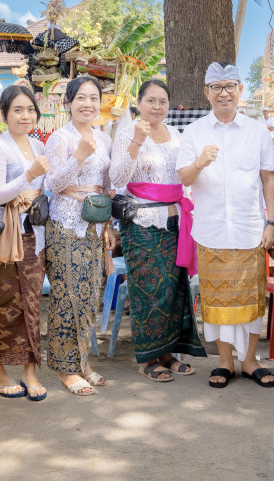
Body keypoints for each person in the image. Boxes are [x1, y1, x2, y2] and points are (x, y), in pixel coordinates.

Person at [178, 62, 274, 388]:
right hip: (211, 229)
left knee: (251, 298)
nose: (224, 93)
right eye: (217, 87)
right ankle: (224, 362)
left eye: (230, 86)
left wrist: (272, 222)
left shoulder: (257, 130)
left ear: (240, 90)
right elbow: (184, 178)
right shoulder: (194, 132)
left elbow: (268, 180)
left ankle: (249, 361)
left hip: (250, 228)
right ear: (207, 92)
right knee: (216, 299)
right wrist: (200, 162)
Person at [109, 79, 206, 383]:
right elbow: (117, 178)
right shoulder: (127, 132)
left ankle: (169, 353)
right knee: (148, 289)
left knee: (173, 289)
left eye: (163, 101)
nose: (157, 106)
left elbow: (185, 176)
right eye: (151, 100)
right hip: (141, 221)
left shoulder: (177, 135)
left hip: (175, 219)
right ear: (139, 103)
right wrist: (137, 141)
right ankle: (149, 357)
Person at [43, 76, 117, 395]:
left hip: (95, 226)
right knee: (66, 296)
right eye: (81, 98)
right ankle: (66, 370)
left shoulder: (104, 138)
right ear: (69, 103)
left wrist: (110, 226)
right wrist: (80, 156)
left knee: (89, 296)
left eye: (93, 98)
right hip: (65, 225)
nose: (88, 104)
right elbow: (53, 183)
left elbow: (109, 184)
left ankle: (82, 362)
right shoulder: (60, 138)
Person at [0, 85, 49, 400]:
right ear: (5, 114)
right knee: (3, 303)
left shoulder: (37, 145)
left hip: (34, 234)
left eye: (30, 109)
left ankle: (30, 370)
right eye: (17, 110)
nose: (25, 116)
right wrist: (29, 176)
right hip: (4, 235)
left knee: (32, 303)